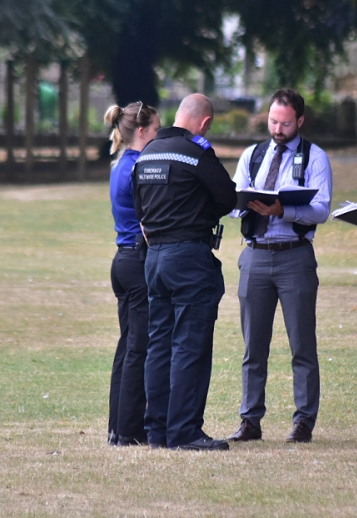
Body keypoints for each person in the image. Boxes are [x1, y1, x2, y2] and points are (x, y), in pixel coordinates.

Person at [225, 89, 332, 444]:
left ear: (300, 121)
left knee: (302, 344)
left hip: (294, 255)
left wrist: (283, 210)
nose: (278, 128)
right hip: (255, 254)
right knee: (253, 346)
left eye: (285, 123)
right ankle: (249, 420)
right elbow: (232, 201)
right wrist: (244, 203)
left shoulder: (314, 157)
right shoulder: (253, 155)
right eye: (273, 121)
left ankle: (304, 421)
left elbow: (321, 209)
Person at [132, 93, 237, 451]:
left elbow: (139, 207)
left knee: (159, 344)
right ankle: (185, 431)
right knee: (190, 344)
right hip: (189, 257)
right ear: (205, 123)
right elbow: (226, 197)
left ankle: (158, 431)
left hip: (154, 258)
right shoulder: (195, 153)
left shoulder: (145, 155)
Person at [104, 101, 160, 447]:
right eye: (155, 130)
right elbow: (147, 222)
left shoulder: (119, 164)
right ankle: (129, 431)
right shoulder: (139, 167)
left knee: (127, 348)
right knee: (139, 348)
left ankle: (117, 427)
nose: (158, 135)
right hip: (137, 261)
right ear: (141, 131)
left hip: (122, 261)